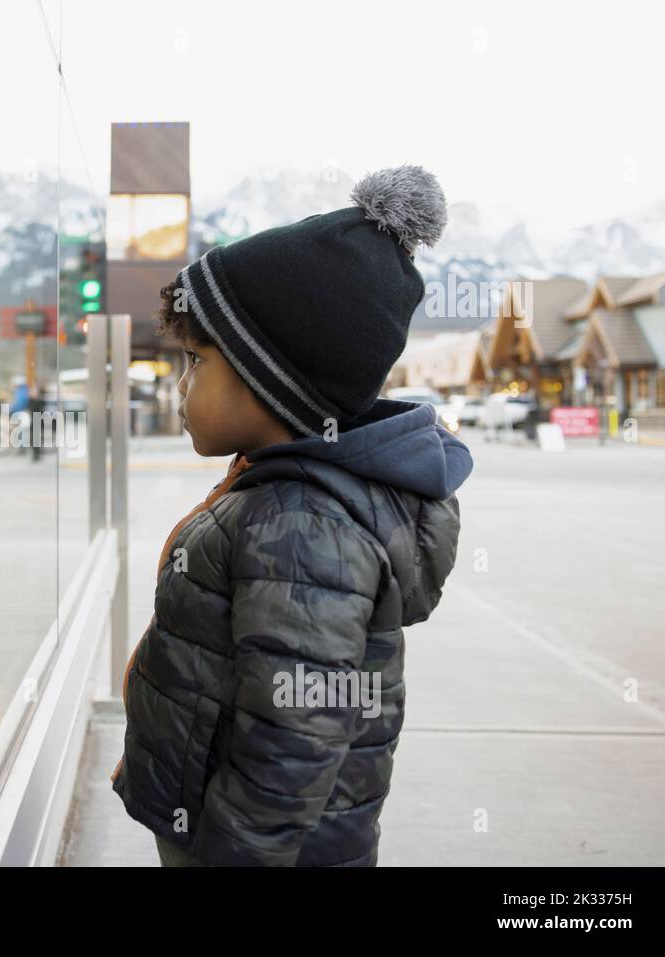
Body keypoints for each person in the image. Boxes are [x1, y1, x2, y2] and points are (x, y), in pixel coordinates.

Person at [110, 166, 474, 867]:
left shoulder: (303, 525)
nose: (181, 388)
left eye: (196, 362)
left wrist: (234, 854)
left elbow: (296, 735)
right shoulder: (280, 491)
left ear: (271, 379)